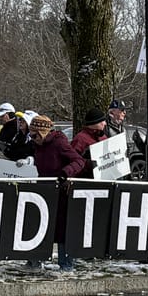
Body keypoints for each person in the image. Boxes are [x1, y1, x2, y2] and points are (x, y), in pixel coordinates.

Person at [28, 114, 87, 272]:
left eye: (33, 134)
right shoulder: (37, 145)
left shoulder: (59, 143)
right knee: (39, 226)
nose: (31, 138)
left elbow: (79, 161)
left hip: (61, 192)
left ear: (42, 132)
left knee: (62, 229)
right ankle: (34, 262)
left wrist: (65, 173)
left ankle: (66, 265)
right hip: (45, 190)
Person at [70, 108, 109, 177]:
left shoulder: (103, 137)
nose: (105, 124)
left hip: (104, 177)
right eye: (102, 121)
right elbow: (72, 161)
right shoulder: (80, 139)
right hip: (86, 180)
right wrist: (88, 164)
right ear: (95, 123)